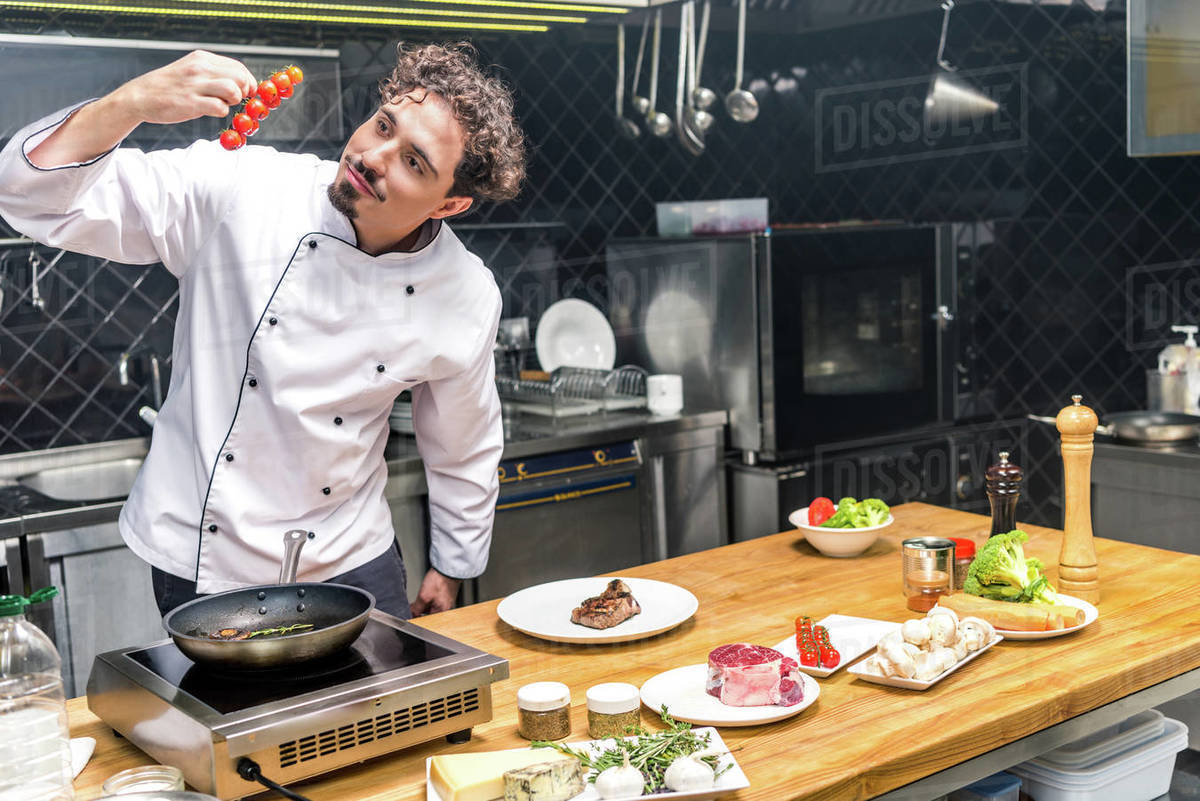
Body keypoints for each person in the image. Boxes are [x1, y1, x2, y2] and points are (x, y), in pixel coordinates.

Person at [0, 43, 526, 620]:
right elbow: (27, 197)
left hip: (353, 556)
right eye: (382, 125)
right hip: (209, 560)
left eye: (414, 162)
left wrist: (452, 565)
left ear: (449, 205)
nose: (373, 157)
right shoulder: (242, 186)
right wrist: (132, 103)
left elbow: (463, 442)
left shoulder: (463, 294)